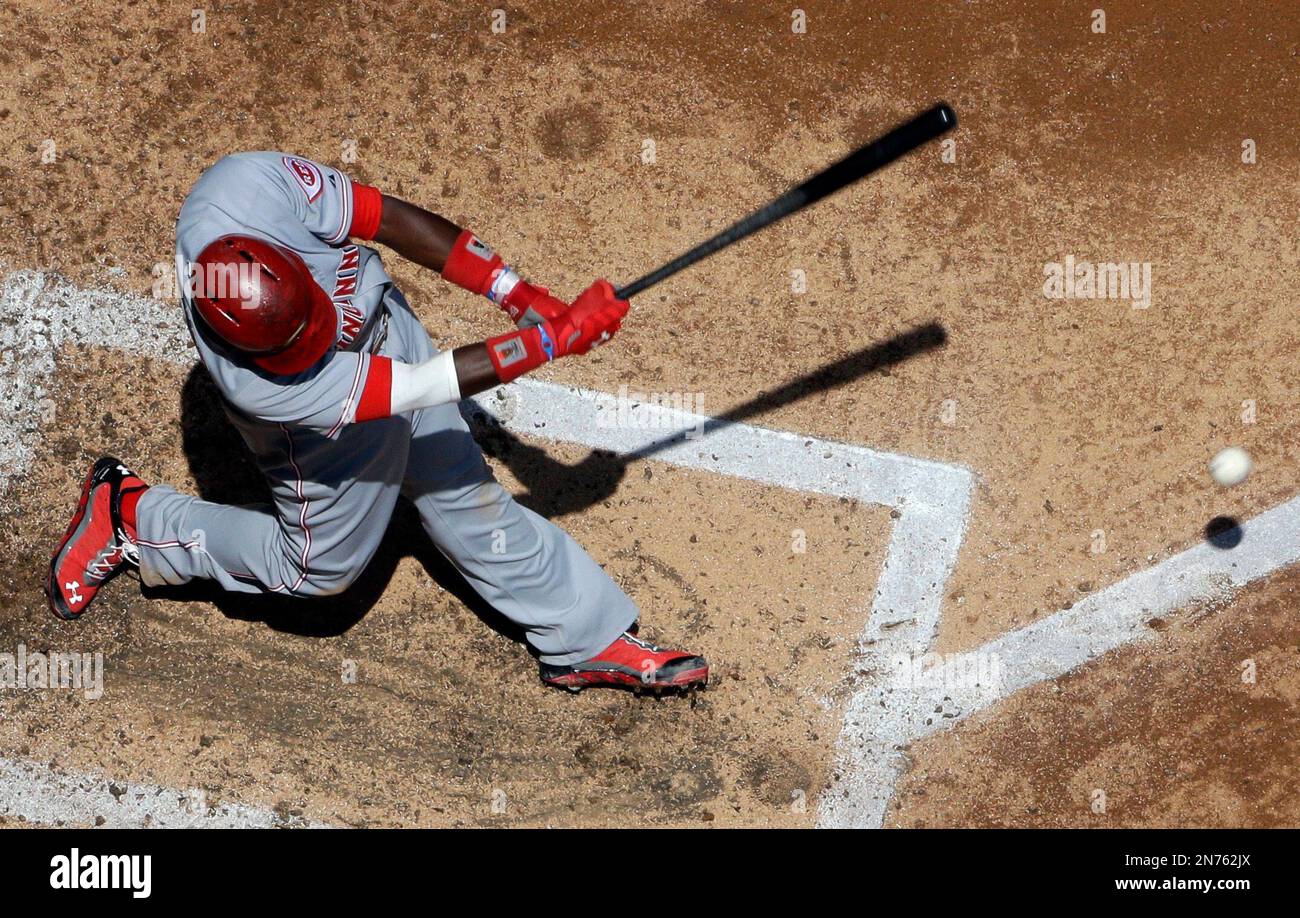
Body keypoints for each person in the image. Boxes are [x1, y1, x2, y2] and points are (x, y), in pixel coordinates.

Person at [47, 152, 708, 694]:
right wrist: (551, 342)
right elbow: (421, 388)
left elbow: (384, 217)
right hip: (328, 438)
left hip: (389, 329)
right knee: (314, 569)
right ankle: (133, 516)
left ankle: (583, 638)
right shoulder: (266, 387)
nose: (322, 333)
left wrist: (519, 294)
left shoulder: (246, 185)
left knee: (460, 488)